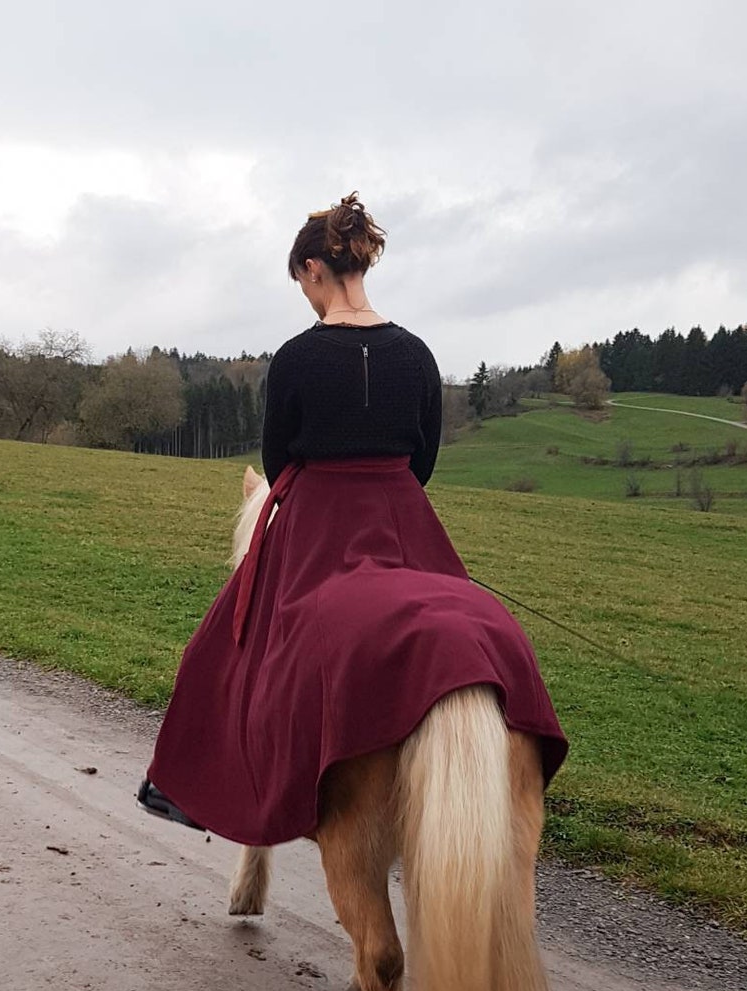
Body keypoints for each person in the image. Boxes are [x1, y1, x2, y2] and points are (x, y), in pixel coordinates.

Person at [139, 193, 566, 843]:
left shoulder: (296, 360)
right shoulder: (419, 356)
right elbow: (423, 459)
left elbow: (278, 461)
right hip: (403, 518)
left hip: (317, 526)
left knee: (220, 649)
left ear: (314, 269)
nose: (305, 297)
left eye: (301, 284)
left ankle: (192, 791)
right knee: (460, 606)